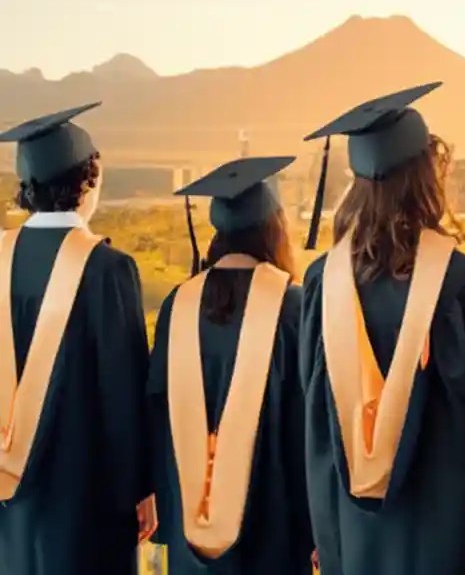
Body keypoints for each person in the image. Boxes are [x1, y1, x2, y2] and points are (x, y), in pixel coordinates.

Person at [299, 83, 465, 574]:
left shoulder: (323, 282)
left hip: (356, 536)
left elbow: (314, 419)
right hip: (456, 535)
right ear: (428, 175)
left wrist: (325, 530)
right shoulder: (464, 282)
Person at [0, 103, 152, 574]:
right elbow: (123, 395)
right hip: (87, 504)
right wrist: (141, 489)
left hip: (10, 503)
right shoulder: (107, 269)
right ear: (88, 181)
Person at [146, 156, 313, 574]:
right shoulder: (295, 306)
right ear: (274, 226)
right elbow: (311, 426)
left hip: (189, 528)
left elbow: (155, 415)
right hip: (276, 525)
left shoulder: (178, 304)